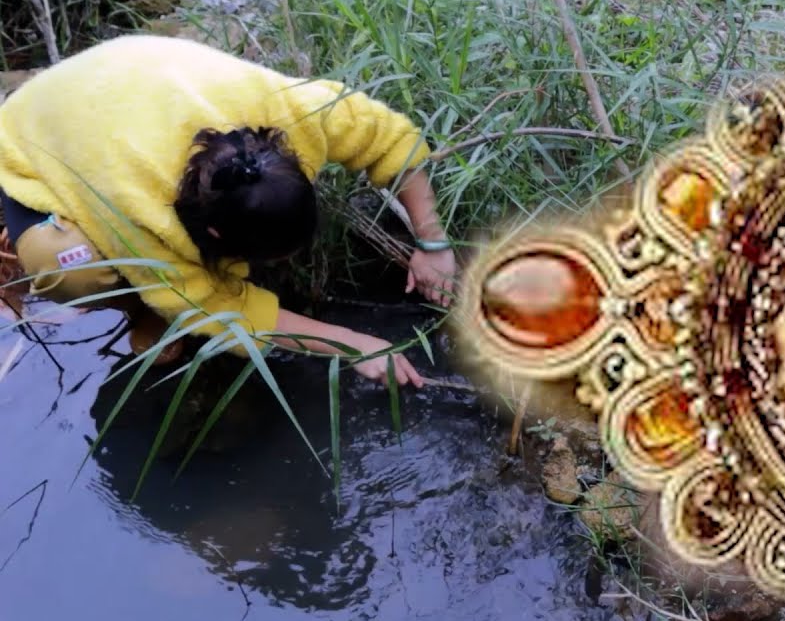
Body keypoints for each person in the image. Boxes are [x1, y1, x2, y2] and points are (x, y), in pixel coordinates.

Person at [0, 35, 456, 385]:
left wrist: (433, 242)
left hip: (132, 77)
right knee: (68, 266)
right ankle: (140, 308)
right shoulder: (138, 212)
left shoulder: (296, 114)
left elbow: (390, 137)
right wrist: (352, 344)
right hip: (36, 134)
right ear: (214, 236)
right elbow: (215, 309)